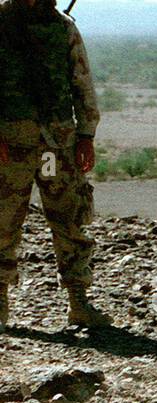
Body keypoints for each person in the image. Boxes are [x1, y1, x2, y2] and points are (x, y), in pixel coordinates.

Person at [0, 0, 107, 329]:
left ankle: (78, 301)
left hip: (55, 147)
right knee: (2, 222)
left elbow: (81, 81)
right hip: (10, 146)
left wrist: (86, 135)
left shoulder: (63, 27)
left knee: (69, 220)